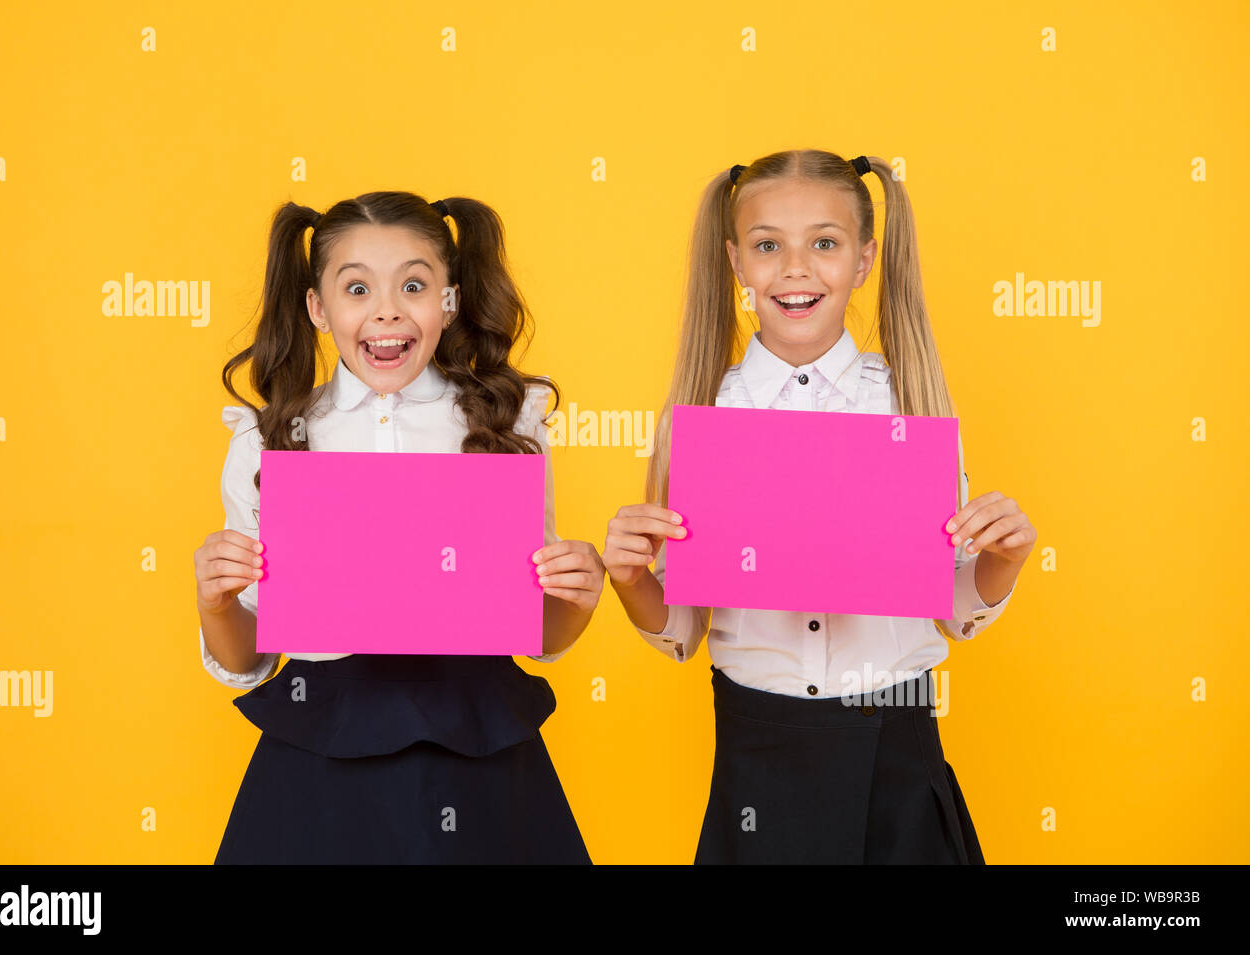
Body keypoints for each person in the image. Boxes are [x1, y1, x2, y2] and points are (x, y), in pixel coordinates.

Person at [601, 151, 1037, 864]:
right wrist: (630, 581)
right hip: (757, 757)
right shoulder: (706, 419)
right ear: (736, 262)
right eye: (768, 245)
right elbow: (683, 630)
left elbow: (955, 609)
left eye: (824, 243)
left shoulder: (908, 409)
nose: (796, 269)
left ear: (864, 260)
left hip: (897, 757)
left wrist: (1003, 561)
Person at [194, 191, 601, 863]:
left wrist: (577, 597)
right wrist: (215, 602)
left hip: (478, 748)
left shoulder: (503, 427)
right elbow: (246, 660)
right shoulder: (270, 441)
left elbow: (539, 635)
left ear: (450, 300)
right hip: (322, 757)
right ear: (318, 308)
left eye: (413, 285)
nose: (386, 311)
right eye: (357, 289)